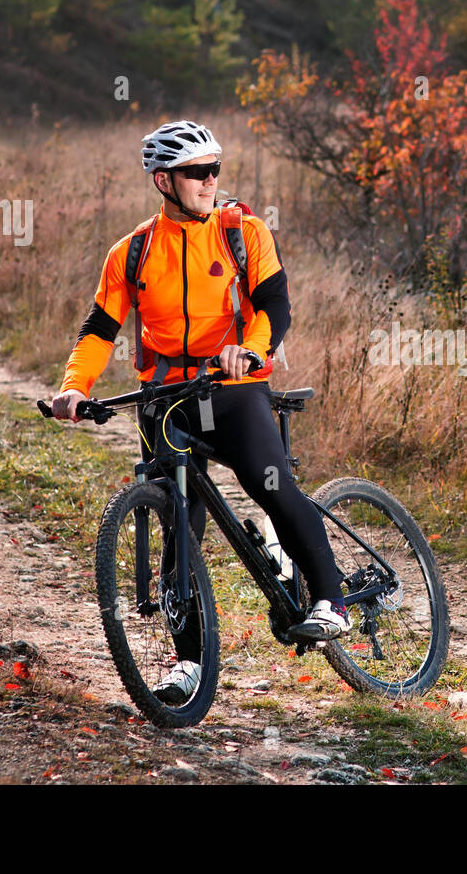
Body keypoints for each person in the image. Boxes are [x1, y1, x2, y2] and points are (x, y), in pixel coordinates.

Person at [50, 120, 350, 701]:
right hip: (165, 399)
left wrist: (252, 350)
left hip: (233, 385)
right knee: (177, 528)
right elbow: (99, 329)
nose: (211, 181)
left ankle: (330, 598)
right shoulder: (133, 251)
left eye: (215, 169)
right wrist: (74, 388)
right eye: (197, 172)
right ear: (165, 181)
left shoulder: (243, 231)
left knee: (271, 486)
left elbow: (275, 306)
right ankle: (188, 664)